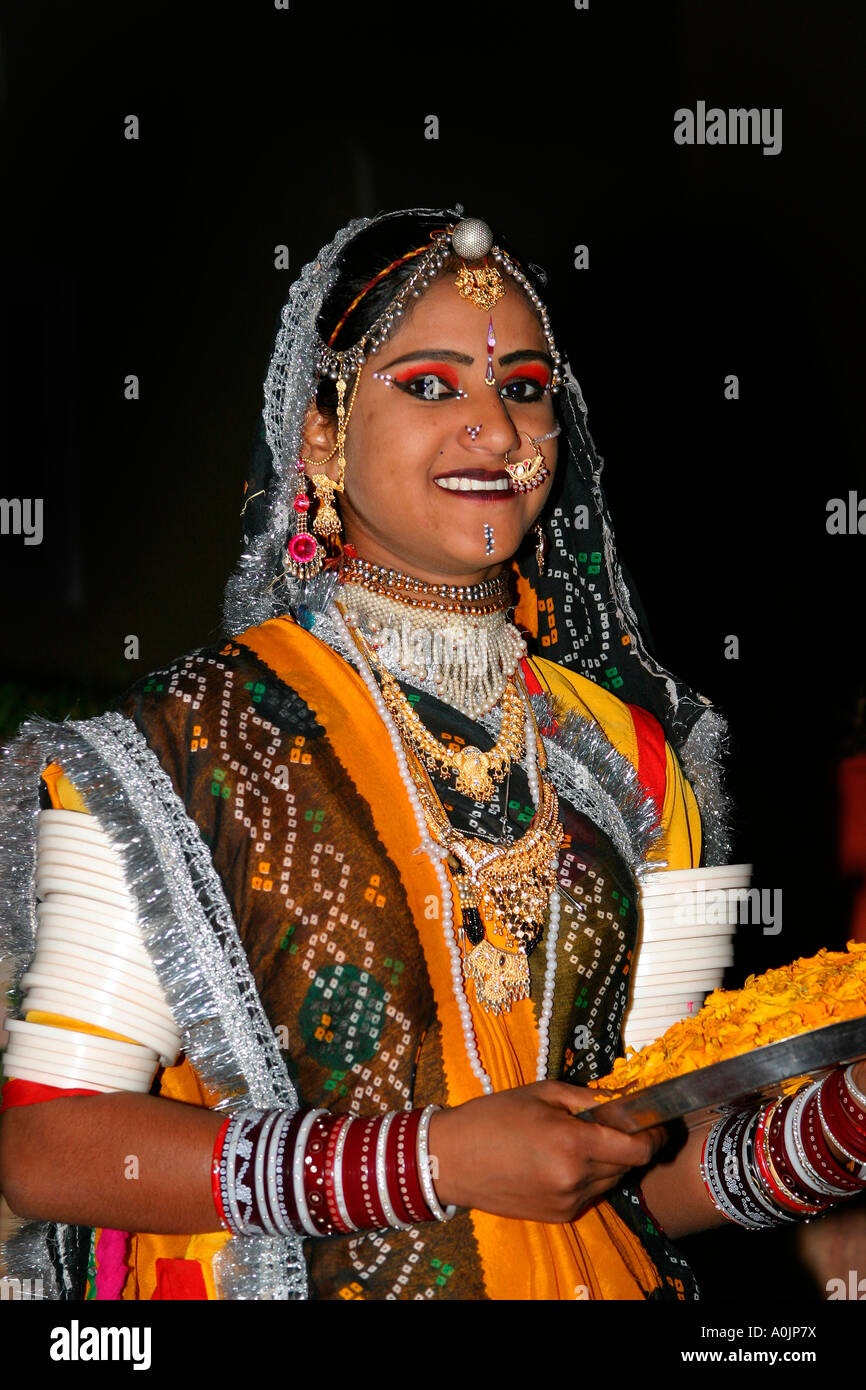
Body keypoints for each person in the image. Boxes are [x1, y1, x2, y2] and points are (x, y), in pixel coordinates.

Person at [1, 208, 864, 1302]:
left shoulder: (631, 761)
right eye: (429, 385)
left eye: (524, 388)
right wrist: (434, 1161)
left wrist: (838, 1128)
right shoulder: (188, 739)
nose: (496, 431)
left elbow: (639, 1165)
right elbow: (50, 1148)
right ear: (320, 437)